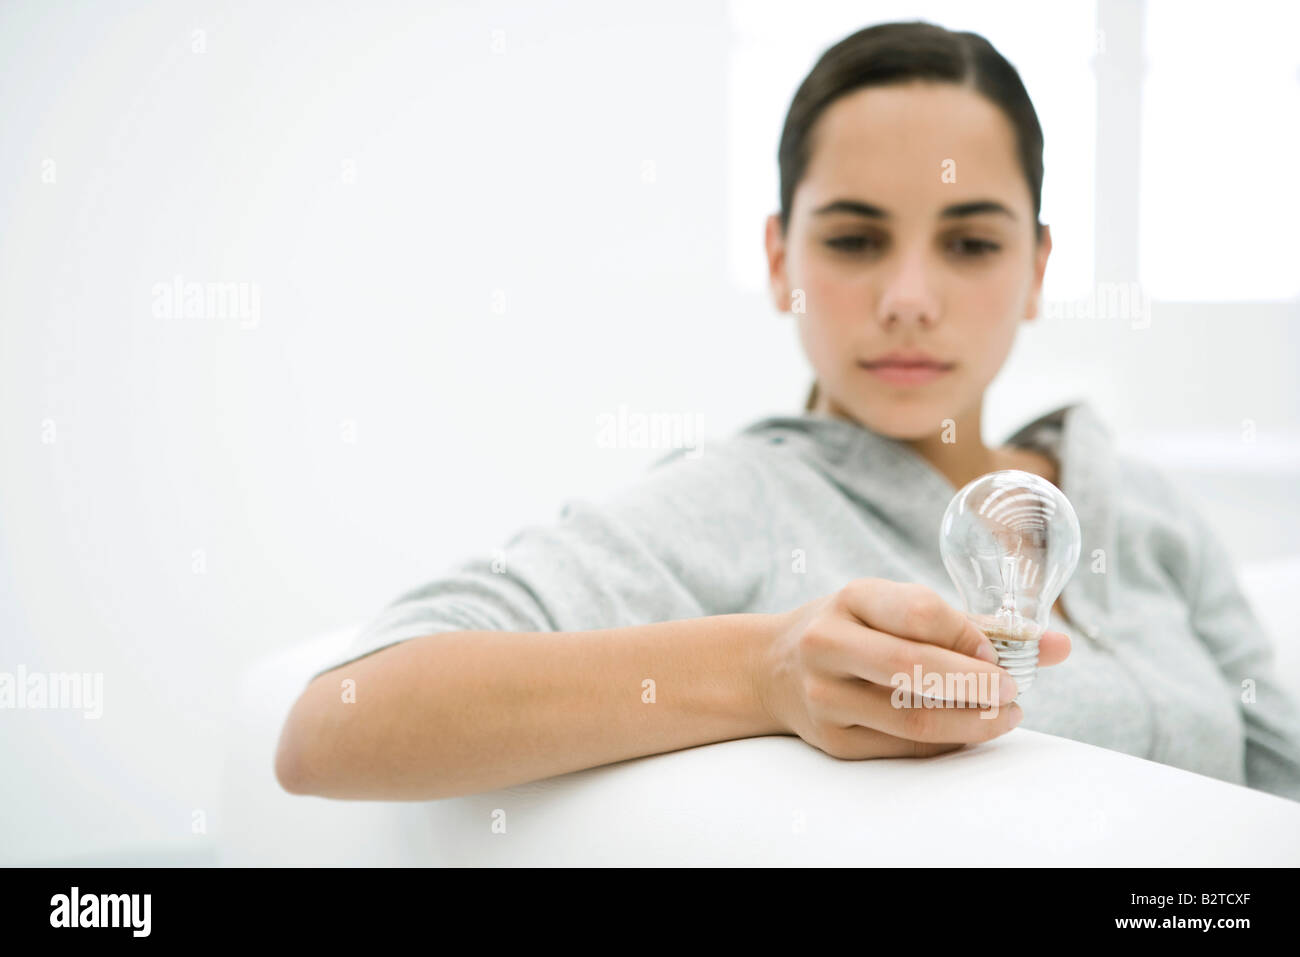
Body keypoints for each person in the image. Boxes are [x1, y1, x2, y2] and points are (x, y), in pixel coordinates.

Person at [274, 20, 1300, 804]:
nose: (908, 295)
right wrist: (761, 671)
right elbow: (332, 729)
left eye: (970, 243)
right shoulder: (737, 501)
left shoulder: (1141, 509)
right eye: (855, 240)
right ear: (779, 261)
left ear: (1037, 268)